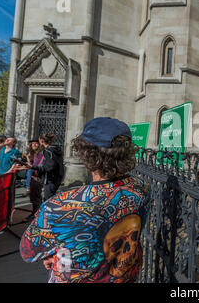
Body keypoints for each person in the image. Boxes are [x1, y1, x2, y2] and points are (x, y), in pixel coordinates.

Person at [20, 117, 150, 283]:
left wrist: (58, 254)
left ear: (86, 154)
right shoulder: (142, 188)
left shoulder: (58, 205)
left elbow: (28, 251)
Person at [23, 133, 64, 201]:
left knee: (48, 201)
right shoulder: (55, 149)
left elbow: (49, 167)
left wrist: (33, 167)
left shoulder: (48, 151)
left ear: (41, 141)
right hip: (56, 178)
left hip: (50, 179)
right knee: (50, 199)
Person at [22, 138, 44, 222]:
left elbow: (38, 167)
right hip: (32, 178)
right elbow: (31, 165)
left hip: (37, 178)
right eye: (32, 143)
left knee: (36, 197)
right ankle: (36, 213)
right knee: (34, 197)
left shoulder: (41, 153)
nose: (34, 144)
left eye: (36, 143)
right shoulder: (34, 154)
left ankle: (36, 215)